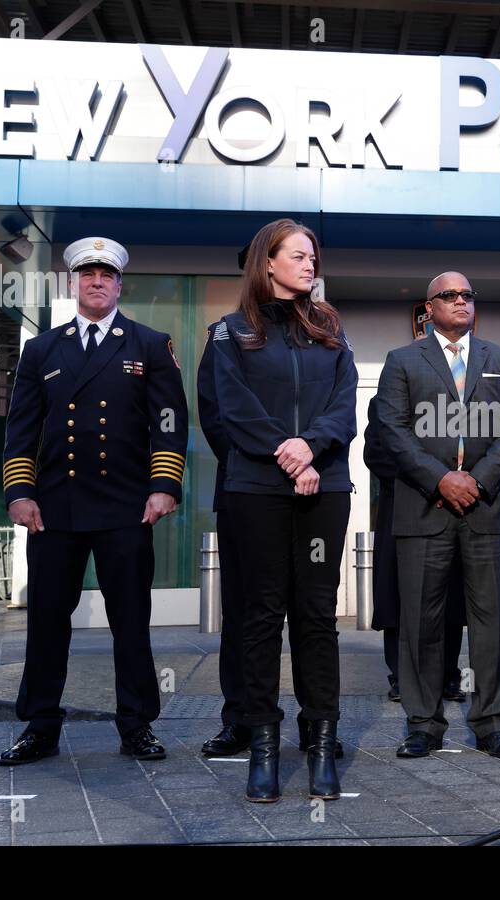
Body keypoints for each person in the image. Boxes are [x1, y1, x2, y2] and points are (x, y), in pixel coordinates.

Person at [0, 236, 188, 765]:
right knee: (47, 622)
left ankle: (136, 725)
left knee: (130, 621)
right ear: (74, 283)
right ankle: (40, 726)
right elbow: (21, 429)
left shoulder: (149, 344)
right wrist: (19, 491)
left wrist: (164, 484)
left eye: (106, 274)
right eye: (87, 274)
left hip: (126, 507)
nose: (97, 282)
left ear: (120, 284)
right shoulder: (43, 349)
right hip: (54, 510)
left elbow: (170, 423)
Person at [211, 219, 357, 803]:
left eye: (313, 256)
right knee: (262, 615)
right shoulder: (229, 332)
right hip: (258, 488)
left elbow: (344, 405)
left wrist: (312, 447)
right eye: (298, 255)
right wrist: (288, 454)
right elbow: (232, 409)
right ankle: (263, 746)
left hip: (324, 488)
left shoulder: (330, 330)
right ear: (266, 263)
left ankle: (321, 743)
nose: (309, 264)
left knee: (318, 616)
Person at [376, 272, 500, 758]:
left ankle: (492, 723)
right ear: (428, 308)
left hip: (486, 508)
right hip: (424, 509)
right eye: (450, 295)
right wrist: (440, 479)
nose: (461, 301)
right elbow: (392, 430)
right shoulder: (401, 361)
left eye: (467, 295)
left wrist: (477, 481)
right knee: (421, 620)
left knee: (492, 624)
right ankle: (422, 722)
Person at [362, 395, 467, 705]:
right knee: (397, 597)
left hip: (449, 508)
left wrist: (448, 484)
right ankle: (400, 676)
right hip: (402, 507)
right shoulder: (383, 401)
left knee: (450, 597)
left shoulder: (454, 402)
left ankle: (449, 675)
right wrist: (428, 483)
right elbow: (376, 454)